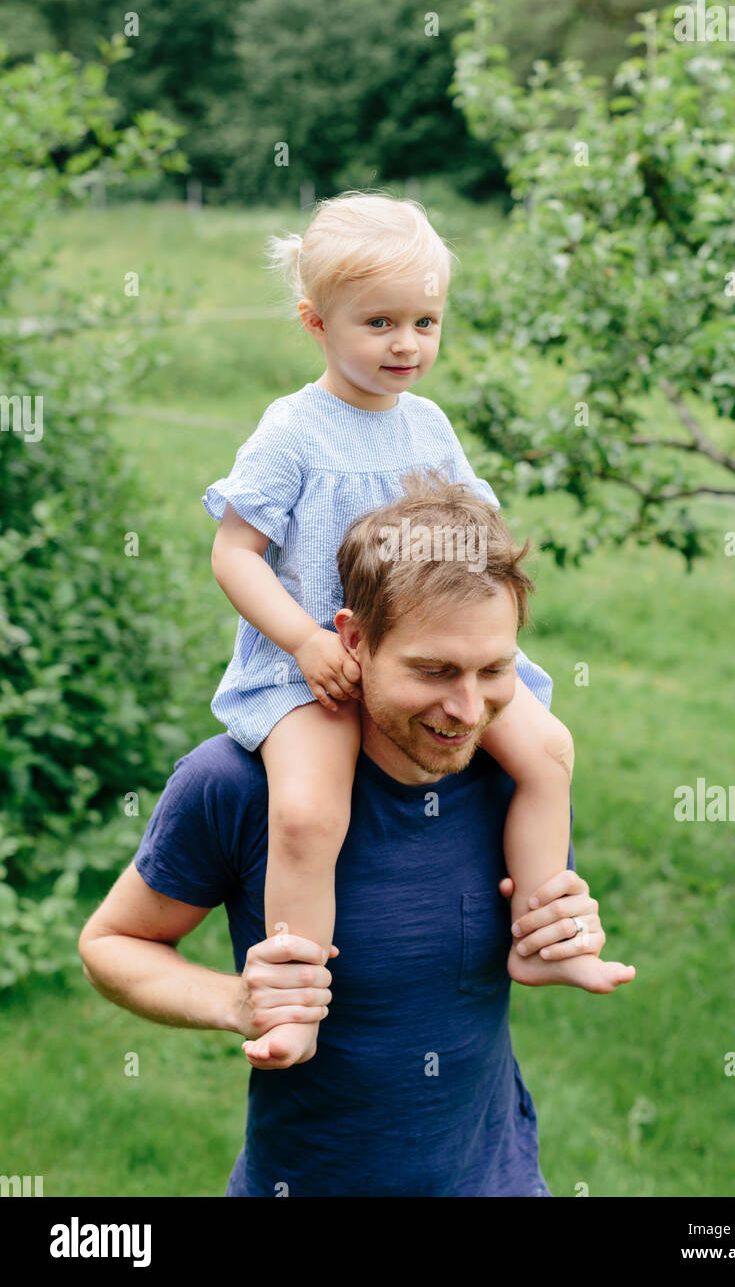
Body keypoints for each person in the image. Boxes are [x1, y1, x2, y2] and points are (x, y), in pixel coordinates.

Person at [79, 475, 635, 1197]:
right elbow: (113, 945)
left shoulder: (513, 776)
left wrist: (561, 929)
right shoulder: (238, 787)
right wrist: (236, 1002)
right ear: (353, 639)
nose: (468, 709)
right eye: (433, 671)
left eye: (494, 670)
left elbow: (530, 927)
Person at [202, 189, 600, 1068]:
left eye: (426, 321)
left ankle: (541, 931)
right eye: (378, 322)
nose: (406, 344)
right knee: (306, 814)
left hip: (427, 656)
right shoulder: (294, 431)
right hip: (314, 664)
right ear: (316, 322)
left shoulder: (428, 425)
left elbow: (474, 536)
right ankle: (297, 1003)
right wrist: (306, 641)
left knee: (550, 749)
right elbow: (235, 554)